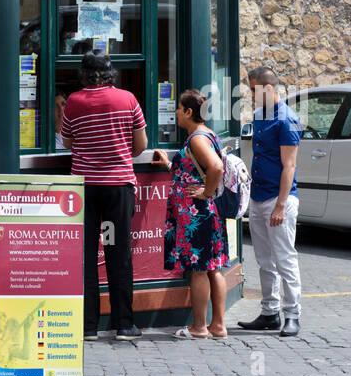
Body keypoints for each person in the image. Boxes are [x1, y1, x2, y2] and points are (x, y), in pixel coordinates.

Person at [61, 51, 147, 341]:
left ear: (84, 73)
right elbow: (140, 144)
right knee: (117, 254)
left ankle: (88, 327)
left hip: (85, 190)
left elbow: (68, 142)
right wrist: (118, 154)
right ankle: (124, 324)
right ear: (110, 73)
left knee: (85, 256)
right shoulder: (127, 99)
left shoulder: (73, 102)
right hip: (117, 190)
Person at [152, 89, 230, 339]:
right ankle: (217, 325)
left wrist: (206, 193)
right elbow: (193, 171)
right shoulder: (208, 135)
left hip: (196, 213)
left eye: (178, 108)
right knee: (214, 268)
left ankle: (198, 327)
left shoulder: (196, 138)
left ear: (188, 111)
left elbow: (216, 166)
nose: (175, 112)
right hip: (207, 212)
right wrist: (168, 164)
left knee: (198, 270)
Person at [237, 66, 302, 336]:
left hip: (279, 199)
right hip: (259, 196)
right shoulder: (261, 115)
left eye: (254, 90)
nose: (250, 95)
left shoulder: (286, 119)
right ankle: (269, 312)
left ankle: (293, 314)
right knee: (264, 259)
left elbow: (290, 166)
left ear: (269, 89)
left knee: (285, 259)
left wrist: (280, 205)